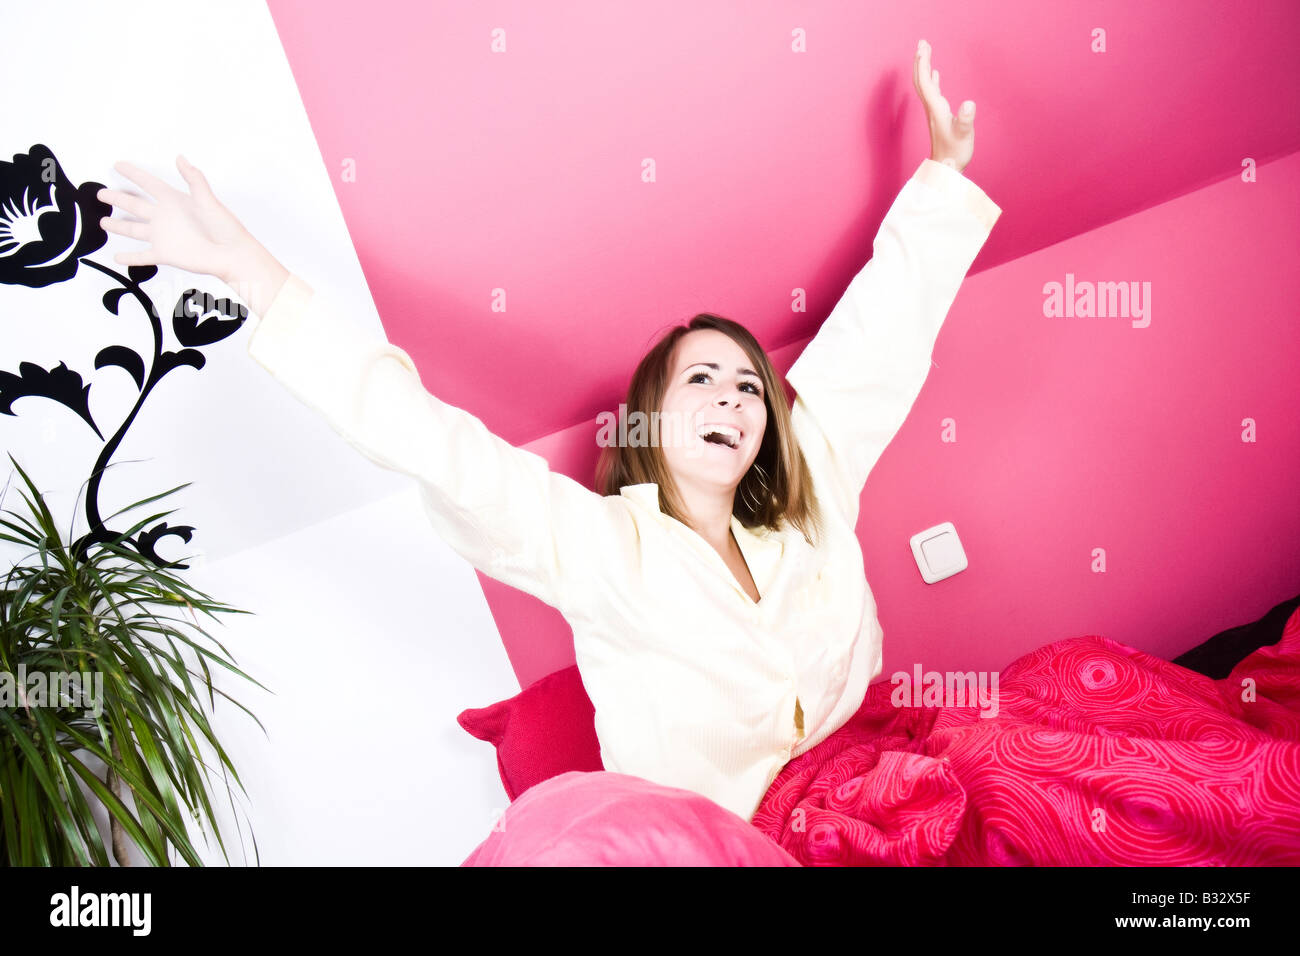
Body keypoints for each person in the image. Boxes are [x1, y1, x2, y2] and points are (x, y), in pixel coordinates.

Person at [95, 39, 1000, 827]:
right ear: (648, 420)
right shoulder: (598, 548)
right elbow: (427, 439)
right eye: (702, 379)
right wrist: (255, 273)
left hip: (898, 780)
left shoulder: (813, 498)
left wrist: (942, 180)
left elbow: (874, 347)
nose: (734, 399)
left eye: (749, 387)